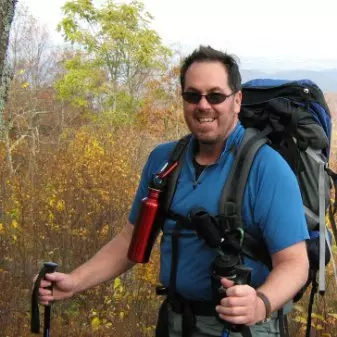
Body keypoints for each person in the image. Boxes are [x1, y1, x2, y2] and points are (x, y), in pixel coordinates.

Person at [37, 46, 309, 337]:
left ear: (237, 100)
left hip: (242, 328)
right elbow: (130, 241)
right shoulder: (164, 161)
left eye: (215, 96)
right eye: (192, 95)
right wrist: (74, 281)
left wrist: (260, 304)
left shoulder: (267, 168)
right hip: (174, 322)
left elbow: (295, 263)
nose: (203, 105)